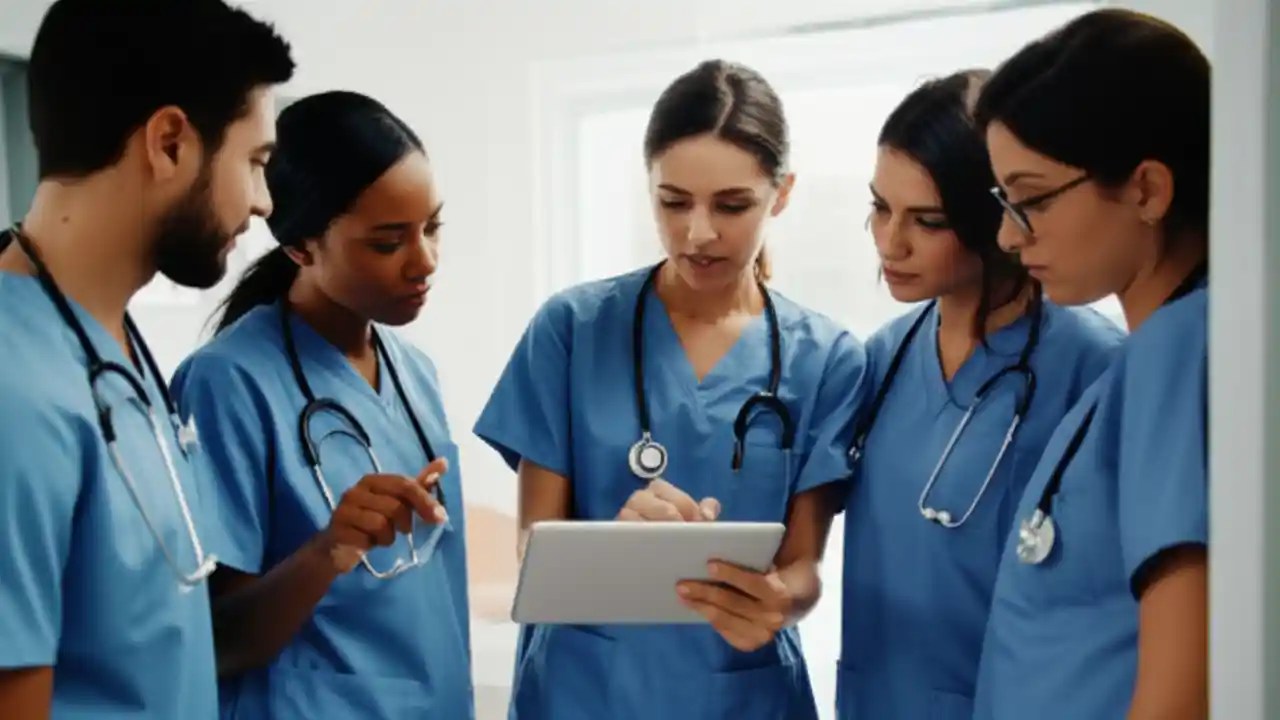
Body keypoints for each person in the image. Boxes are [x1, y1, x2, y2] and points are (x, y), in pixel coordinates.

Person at [474, 59, 866, 720]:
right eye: (673, 201)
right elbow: (534, 541)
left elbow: (803, 568)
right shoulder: (571, 330)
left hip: (740, 692)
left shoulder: (826, 357)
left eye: (732, 205)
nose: (698, 232)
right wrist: (614, 549)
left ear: (784, 193)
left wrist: (776, 601)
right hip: (583, 690)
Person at [0, 1, 293, 717]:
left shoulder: (117, 357)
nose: (262, 203)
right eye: (255, 163)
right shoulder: (15, 388)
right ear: (168, 143)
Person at [168, 91, 473, 719]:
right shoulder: (227, 383)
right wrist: (327, 550)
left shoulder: (415, 373)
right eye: (389, 243)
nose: (426, 262)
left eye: (432, 227)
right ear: (301, 246)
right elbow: (216, 639)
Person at [834, 70, 1124, 720]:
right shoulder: (882, 357)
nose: (890, 242)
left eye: (927, 220)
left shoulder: (1095, 367)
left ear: (996, 217)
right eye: (880, 207)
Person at [971, 9, 1210, 719]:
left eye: (1032, 199)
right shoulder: (1146, 356)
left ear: (1146, 190)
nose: (1008, 236)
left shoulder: (1180, 345)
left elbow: (1183, 691)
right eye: (1004, 202)